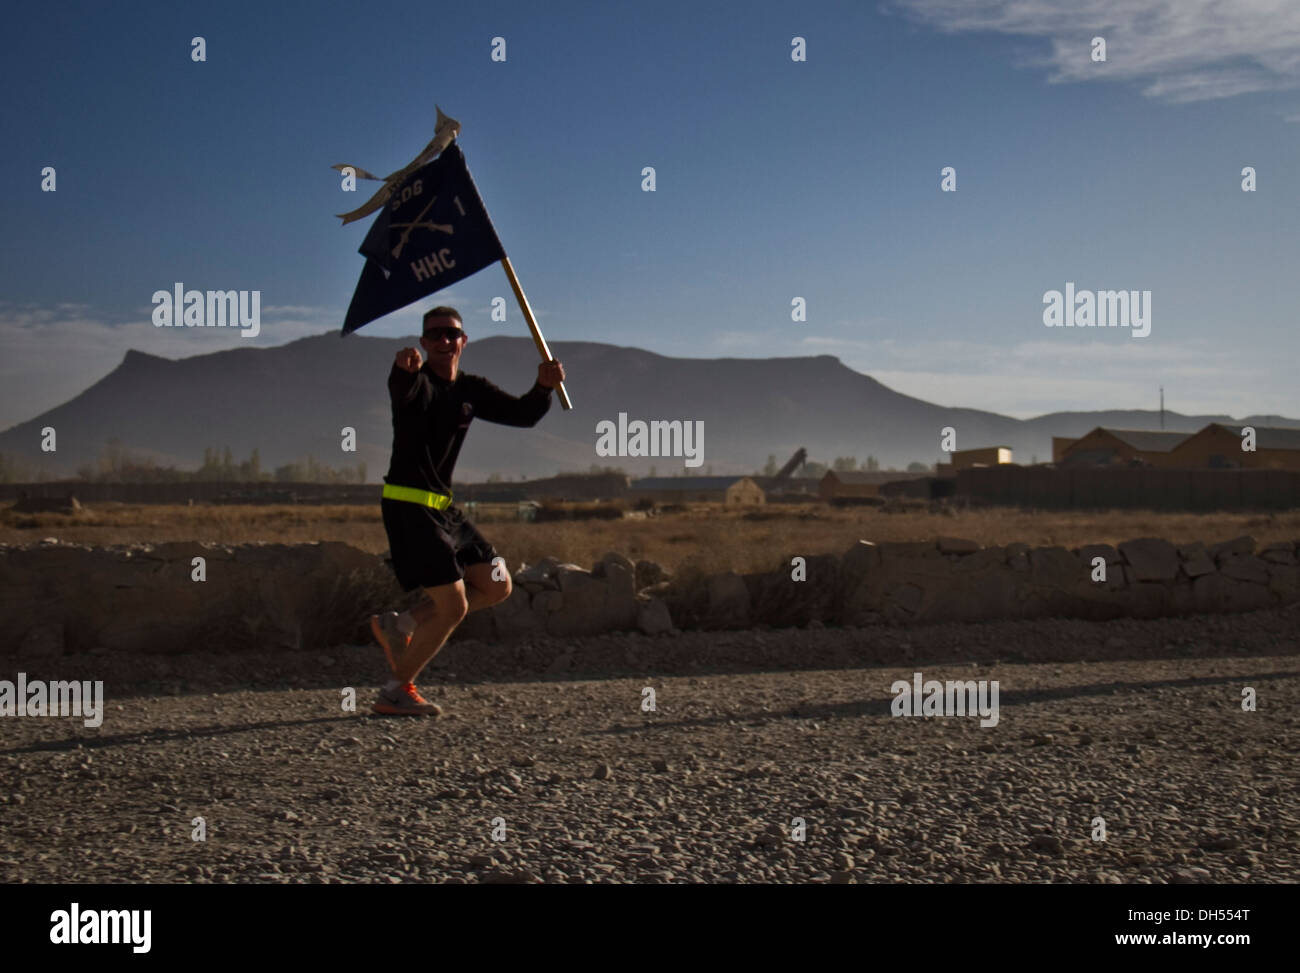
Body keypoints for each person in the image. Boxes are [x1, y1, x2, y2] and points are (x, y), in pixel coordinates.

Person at [369, 306, 565, 715]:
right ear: (423, 343)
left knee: (497, 585)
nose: (444, 340)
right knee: (453, 607)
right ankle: (394, 691)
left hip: (445, 510)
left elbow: (522, 415)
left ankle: (401, 624)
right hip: (409, 506)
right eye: (435, 334)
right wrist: (402, 370)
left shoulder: (470, 389)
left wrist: (544, 387)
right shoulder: (415, 382)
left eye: (451, 334)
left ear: (463, 341)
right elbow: (401, 393)